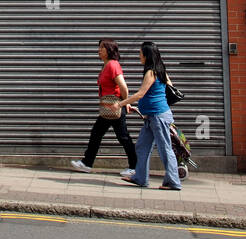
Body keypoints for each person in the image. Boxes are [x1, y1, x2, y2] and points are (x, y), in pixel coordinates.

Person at [120, 39, 181, 190]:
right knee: (141, 146)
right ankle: (140, 178)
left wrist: (120, 103)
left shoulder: (151, 72)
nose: (139, 56)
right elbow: (170, 88)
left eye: (140, 53)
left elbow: (140, 94)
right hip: (152, 116)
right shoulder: (160, 70)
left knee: (165, 149)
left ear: (147, 55)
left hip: (158, 116)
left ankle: (173, 182)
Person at [70, 39, 137, 174]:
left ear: (109, 50)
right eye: (99, 47)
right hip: (108, 107)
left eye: (102, 47)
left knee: (122, 137)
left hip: (114, 107)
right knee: (100, 134)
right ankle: (87, 163)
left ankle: (135, 167)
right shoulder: (106, 65)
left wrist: (125, 103)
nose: (99, 50)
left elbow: (124, 87)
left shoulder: (113, 65)